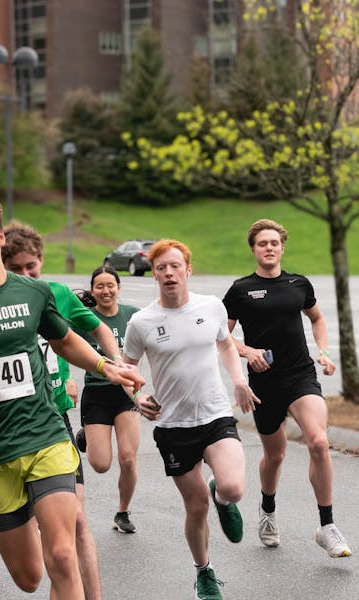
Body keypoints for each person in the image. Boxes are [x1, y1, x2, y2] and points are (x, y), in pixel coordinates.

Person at [0, 190, 143, 600]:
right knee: (29, 577)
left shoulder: (33, 293)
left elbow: (65, 340)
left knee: (62, 553)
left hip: (44, 436)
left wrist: (106, 367)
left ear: (0, 237)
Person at [121, 239, 258, 600]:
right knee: (195, 507)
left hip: (214, 415)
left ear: (188, 269)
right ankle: (204, 572)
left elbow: (226, 343)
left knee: (233, 487)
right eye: (161, 268)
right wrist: (137, 395)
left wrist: (240, 381)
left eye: (175, 266)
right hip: (173, 426)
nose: (169, 273)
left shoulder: (211, 306)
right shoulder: (141, 322)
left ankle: (223, 497)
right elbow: (127, 369)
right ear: (154, 274)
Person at [1, 223, 126, 600]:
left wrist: (114, 362)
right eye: (17, 269)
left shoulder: (55, 294)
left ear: (42, 263)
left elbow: (99, 331)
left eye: (32, 268)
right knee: (39, 548)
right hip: (6, 428)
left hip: (54, 421)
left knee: (75, 522)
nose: (26, 276)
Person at [222, 218, 352, 558]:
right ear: (253, 249)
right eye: (262, 243)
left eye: (274, 243)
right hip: (264, 382)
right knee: (275, 455)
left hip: (300, 374)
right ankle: (267, 510)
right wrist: (248, 352)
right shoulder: (240, 289)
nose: (269, 248)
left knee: (319, 441)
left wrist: (323, 352)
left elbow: (317, 318)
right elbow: (222, 337)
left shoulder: (299, 284)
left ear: (282, 247)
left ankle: (327, 526)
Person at [75, 265, 141, 535]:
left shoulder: (133, 316)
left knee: (128, 458)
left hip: (126, 393)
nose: (106, 290)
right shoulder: (84, 318)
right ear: (92, 290)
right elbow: (61, 346)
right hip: (97, 394)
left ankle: (123, 512)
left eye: (110, 285)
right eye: (99, 286)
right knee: (101, 465)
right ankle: (87, 436)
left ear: (119, 288)